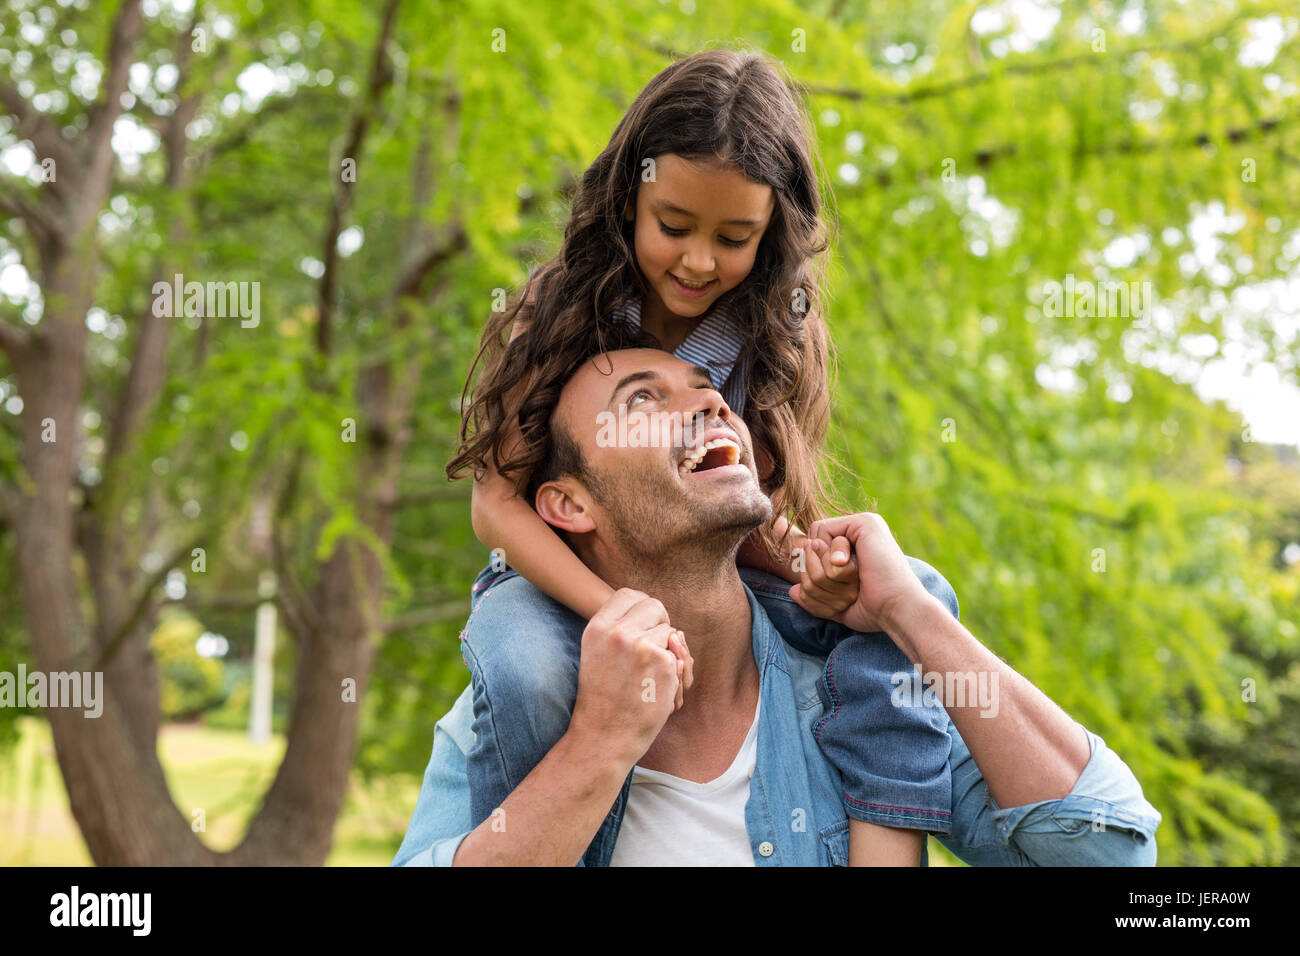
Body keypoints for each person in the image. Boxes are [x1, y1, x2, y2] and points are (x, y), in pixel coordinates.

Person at [445, 48, 952, 865]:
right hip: (561, 579)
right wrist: (613, 610)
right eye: (673, 226)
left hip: (720, 583)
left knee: (910, 596)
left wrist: (806, 562)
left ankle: (884, 836)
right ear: (627, 199)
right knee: (526, 663)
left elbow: (746, 510)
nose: (698, 261)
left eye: (734, 237)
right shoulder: (565, 305)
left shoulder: (774, 331)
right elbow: (495, 507)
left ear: (773, 232)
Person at [394, 348, 1163, 866]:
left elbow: (1110, 848)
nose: (709, 408)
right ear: (568, 504)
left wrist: (911, 614)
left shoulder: (853, 687)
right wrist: (596, 747)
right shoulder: (517, 703)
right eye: (643, 400)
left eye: (709, 392)